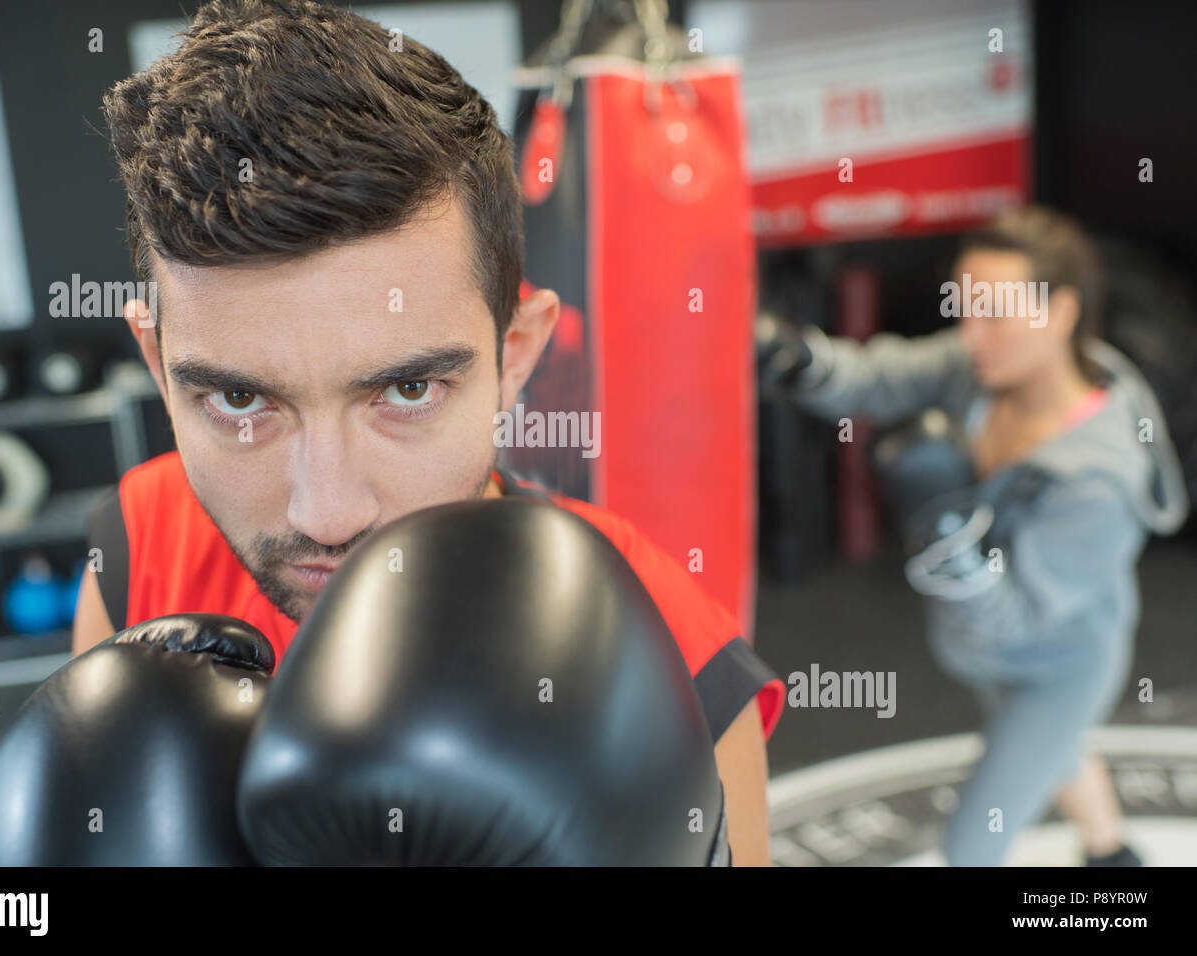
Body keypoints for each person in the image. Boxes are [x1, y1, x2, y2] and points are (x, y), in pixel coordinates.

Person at [71, 0, 784, 864]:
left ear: (515, 357)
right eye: (240, 403)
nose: (326, 511)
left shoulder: (673, 643)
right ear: (157, 363)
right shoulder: (141, 540)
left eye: (407, 389)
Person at [758, 205, 1189, 866]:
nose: (972, 333)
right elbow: (879, 376)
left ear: (1060, 312)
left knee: (972, 845)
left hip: (1055, 665)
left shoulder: (1098, 481)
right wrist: (801, 361)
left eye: (995, 313)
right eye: (966, 308)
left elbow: (1012, 621)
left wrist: (945, 531)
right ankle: (1115, 865)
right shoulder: (986, 365)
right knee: (1061, 754)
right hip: (986, 654)